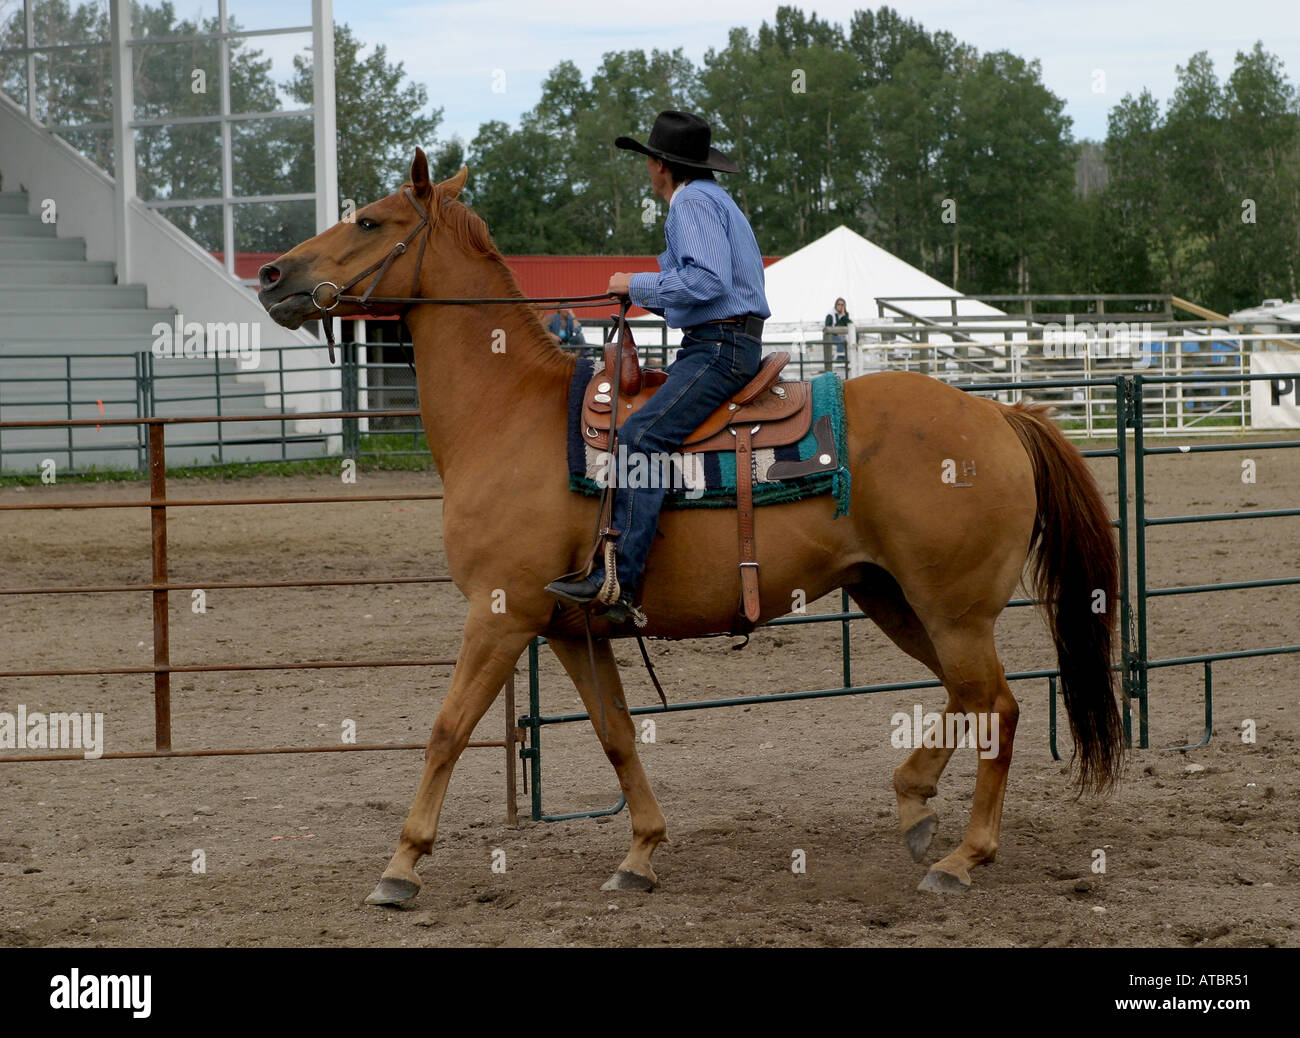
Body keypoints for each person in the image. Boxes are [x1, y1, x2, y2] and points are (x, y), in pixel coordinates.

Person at [545, 110, 770, 614]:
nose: (647, 168)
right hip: (725, 341)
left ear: (661, 165)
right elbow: (702, 285)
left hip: (719, 347)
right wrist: (647, 289)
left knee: (643, 436)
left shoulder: (690, 202)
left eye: (649, 159)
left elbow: (708, 282)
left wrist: (634, 284)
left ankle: (618, 580)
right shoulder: (715, 200)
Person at [824, 297, 851, 362]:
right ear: (835, 305)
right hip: (831, 336)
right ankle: (840, 359)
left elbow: (850, 324)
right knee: (841, 340)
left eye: (842, 305)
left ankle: (856, 354)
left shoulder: (845, 314)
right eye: (838, 304)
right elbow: (827, 328)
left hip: (844, 334)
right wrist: (837, 333)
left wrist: (843, 316)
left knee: (856, 335)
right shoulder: (830, 315)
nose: (840, 306)